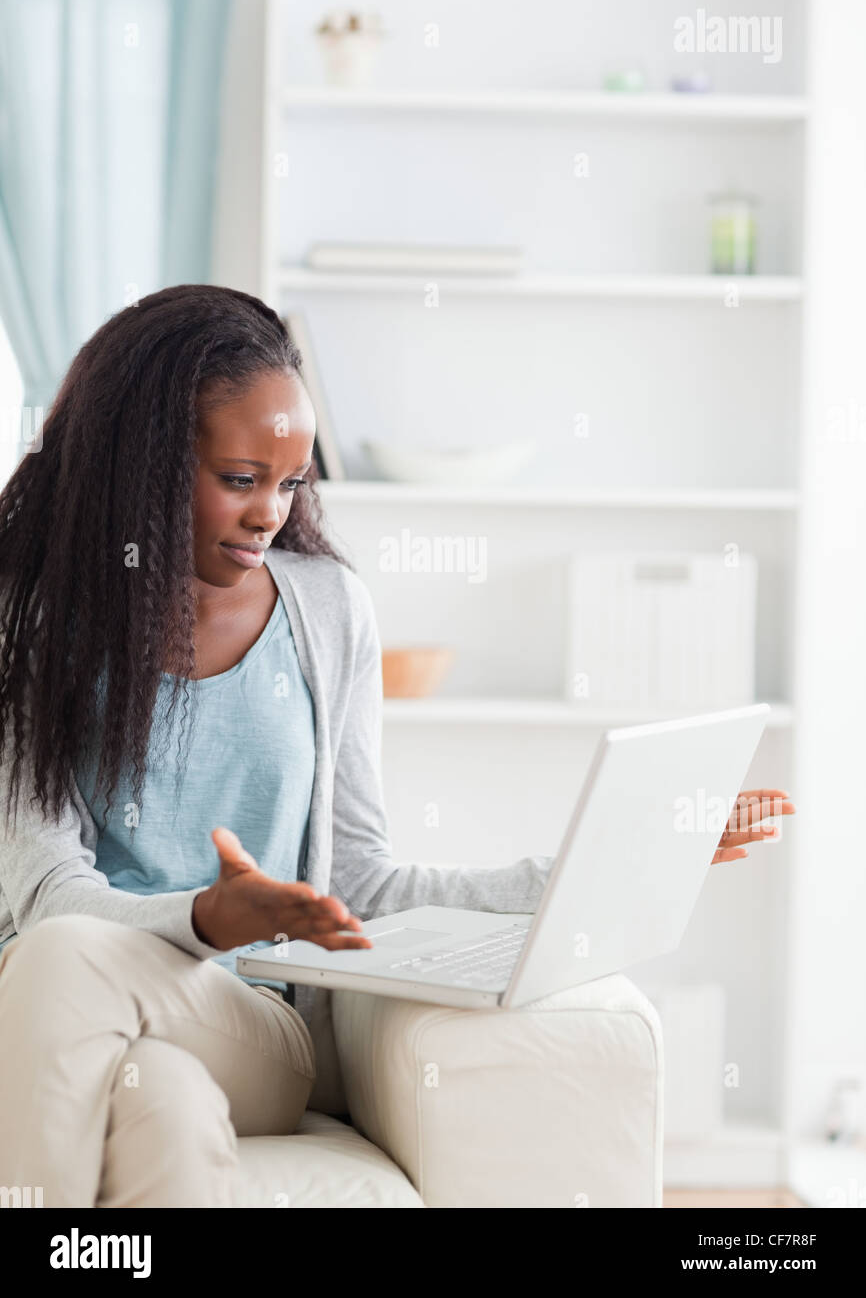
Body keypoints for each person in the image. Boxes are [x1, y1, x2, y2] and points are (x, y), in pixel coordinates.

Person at [0, 285, 795, 1207]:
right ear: (143, 463)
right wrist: (208, 912)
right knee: (164, 1113)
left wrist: (594, 868)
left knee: (66, 965)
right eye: (240, 478)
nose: (269, 513)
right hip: (70, 1007)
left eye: (290, 482)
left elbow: (366, 883)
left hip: (248, 1022)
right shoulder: (28, 614)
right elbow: (54, 894)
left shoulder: (328, 613)